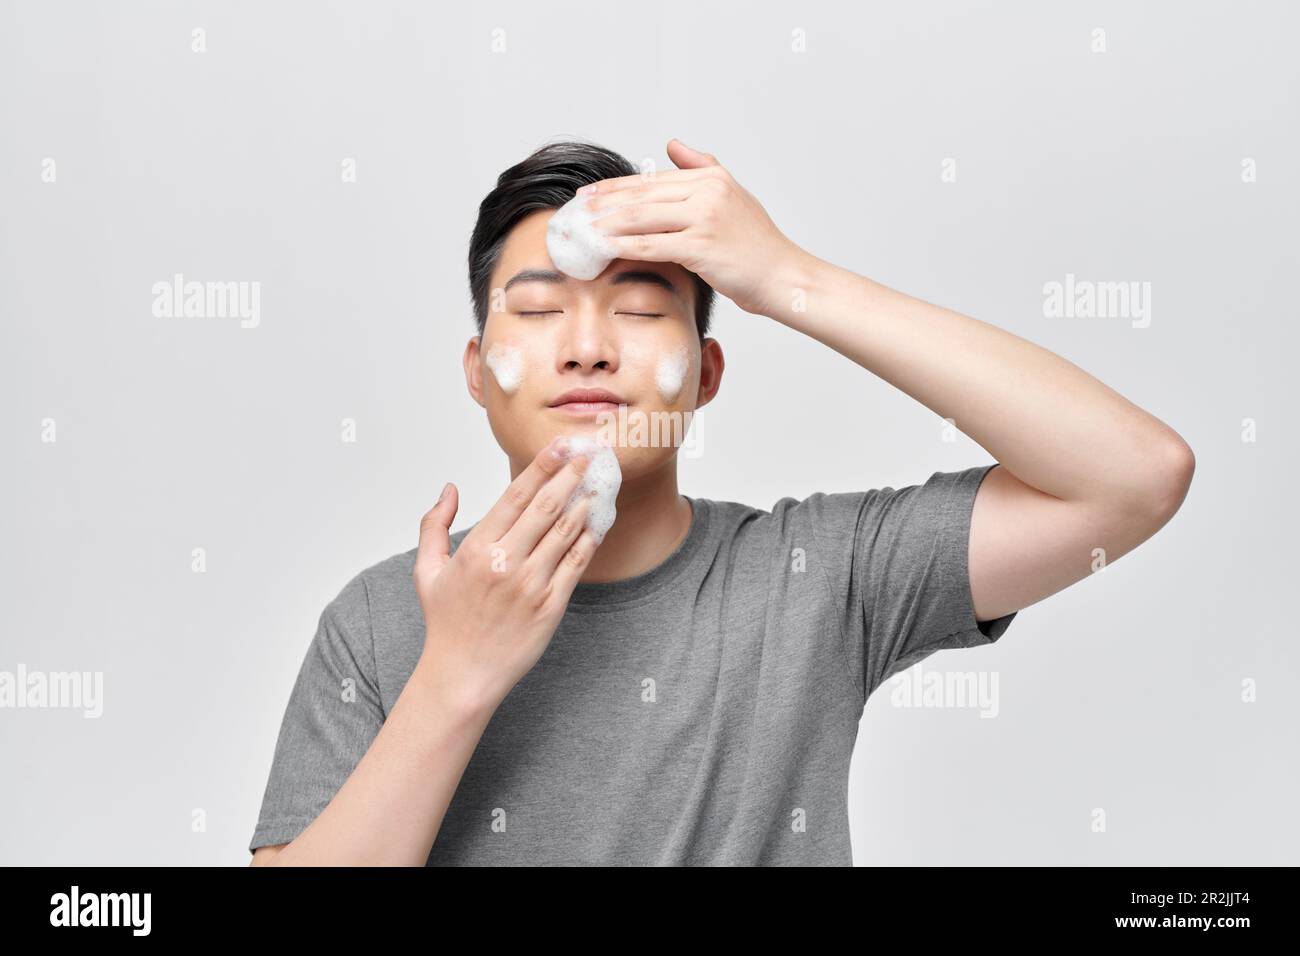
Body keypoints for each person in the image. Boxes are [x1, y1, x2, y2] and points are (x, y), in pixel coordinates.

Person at [248, 138, 1194, 865]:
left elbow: (1134, 476)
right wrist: (455, 672)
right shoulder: (381, 619)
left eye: (640, 310)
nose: (587, 348)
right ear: (474, 374)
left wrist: (788, 278)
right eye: (537, 312)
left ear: (705, 373)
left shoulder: (813, 578)